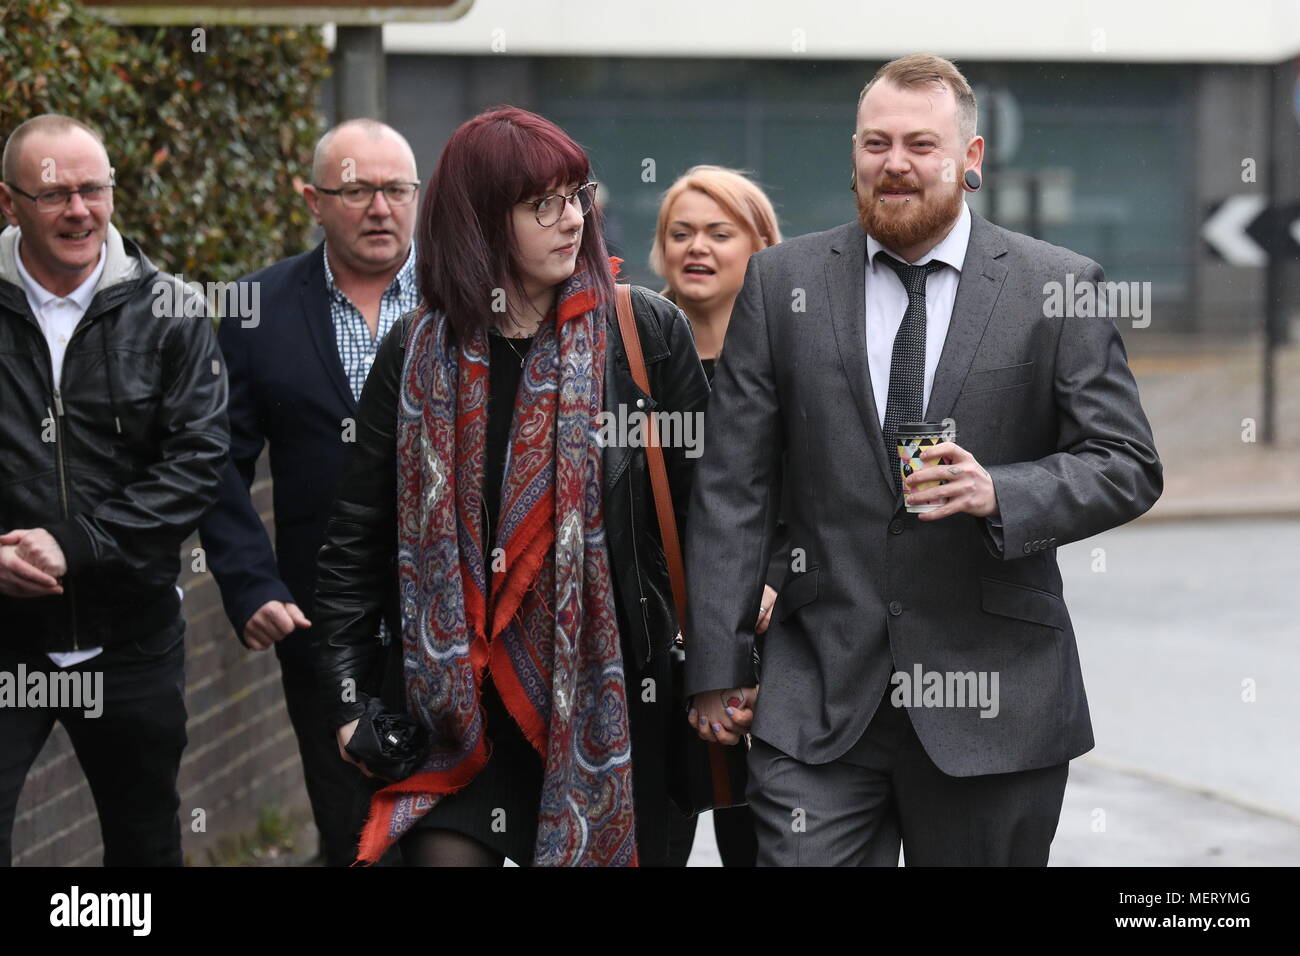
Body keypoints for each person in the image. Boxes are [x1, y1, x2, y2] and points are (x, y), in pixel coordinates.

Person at [683, 54, 1163, 866]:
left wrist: (1001, 491)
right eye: (876, 144)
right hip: (819, 701)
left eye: (919, 144)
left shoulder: (1058, 285)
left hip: (995, 705)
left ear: (969, 160)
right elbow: (733, 486)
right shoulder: (779, 284)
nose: (894, 164)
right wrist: (717, 665)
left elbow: (1126, 462)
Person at [310, 106, 710, 866]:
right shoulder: (415, 352)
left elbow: (710, 519)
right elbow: (353, 544)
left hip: (617, 705)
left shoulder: (644, 335)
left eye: (577, 195)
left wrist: (720, 677)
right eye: (543, 205)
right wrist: (345, 702)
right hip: (459, 717)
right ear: (482, 223)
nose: (572, 220)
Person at [0, 114, 228, 865]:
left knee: (143, 842)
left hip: (130, 637)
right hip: (7, 641)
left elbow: (196, 462)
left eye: (93, 190)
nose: (79, 210)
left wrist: (75, 545)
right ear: (9, 204)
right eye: (53, 193)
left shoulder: (173, 312)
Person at [196, 119, 419, 867]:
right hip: (321, 622)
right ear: (313, 201)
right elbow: (215, 457)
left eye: (396, 189)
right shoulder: (259, 306)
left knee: (455, 834)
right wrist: (249, 582)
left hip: (456, 613)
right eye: (356, 190)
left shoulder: (469, 297)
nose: (380, 207)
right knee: (352, 828)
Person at [650, 164, 783, 866]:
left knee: (758, 845)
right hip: (653, 649)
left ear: (760, 244)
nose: (696, 247)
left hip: (768, 649)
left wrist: (776, 584)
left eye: (718, 232)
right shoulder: (629, 351)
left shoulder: (796, 354)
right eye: (681, 232)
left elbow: (823, 501)